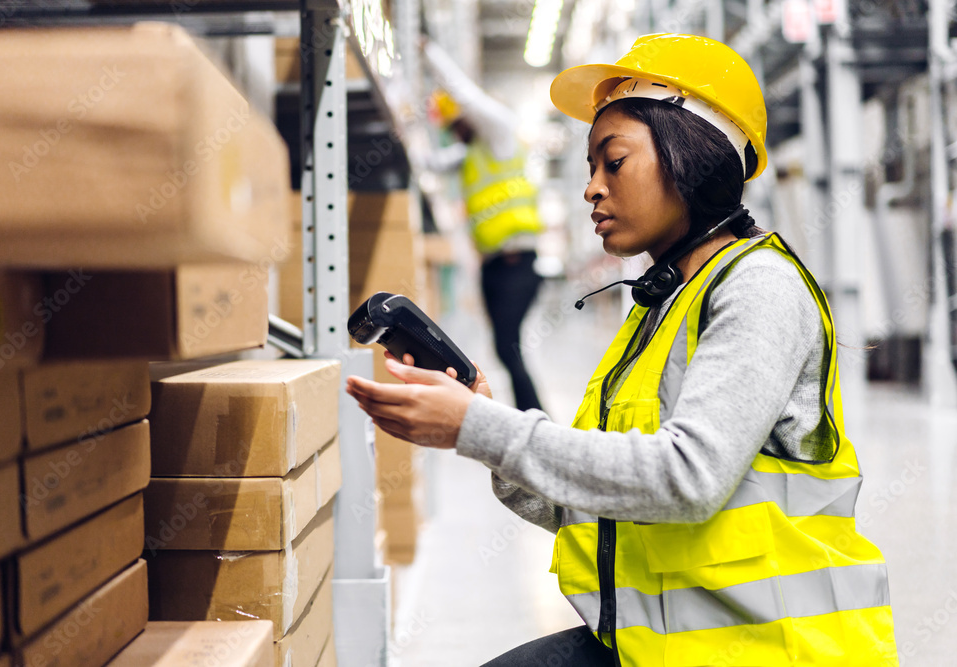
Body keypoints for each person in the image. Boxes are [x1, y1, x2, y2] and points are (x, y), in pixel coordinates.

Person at [347, 33, 899, 666]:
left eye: (614, 162)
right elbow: (594, 502)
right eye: (590, 168)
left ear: (693, 158)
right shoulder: (663, 308)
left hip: (769, 649)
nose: (592, 189)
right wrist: (479, 418)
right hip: (670, 642)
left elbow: (685, 478)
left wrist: (482, 429)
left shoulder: (759, 289)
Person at [420, 38, 546, 412]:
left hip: (515, 261)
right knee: (504, 347)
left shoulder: (500, 133)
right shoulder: (471, 151)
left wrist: (429, 50)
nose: (455, 133)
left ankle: (535, 419)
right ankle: (533, 417)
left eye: (457, 124)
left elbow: (465, 94)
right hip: (494, 264)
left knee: (508, 346)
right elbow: (429, 162)